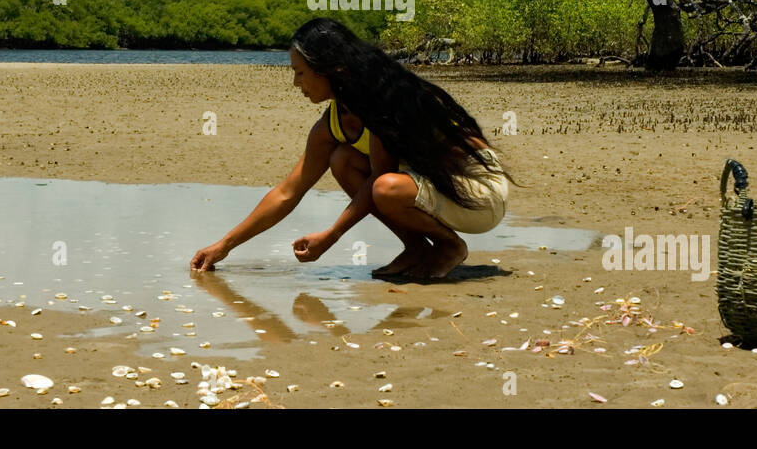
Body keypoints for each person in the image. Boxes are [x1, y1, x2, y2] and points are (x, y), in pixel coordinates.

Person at [190, 17, 515, 279]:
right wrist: (224, 246)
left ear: (330, 69)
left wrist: (330, 236)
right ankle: (417, 248)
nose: (296, 84)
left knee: (386, 187)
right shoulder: (331, 124)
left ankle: (449, 248)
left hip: (479, 193)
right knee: (343, 160)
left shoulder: (382, 101)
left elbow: (380, 182)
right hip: (443, 192)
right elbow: (288, 192)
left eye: (300, 73)